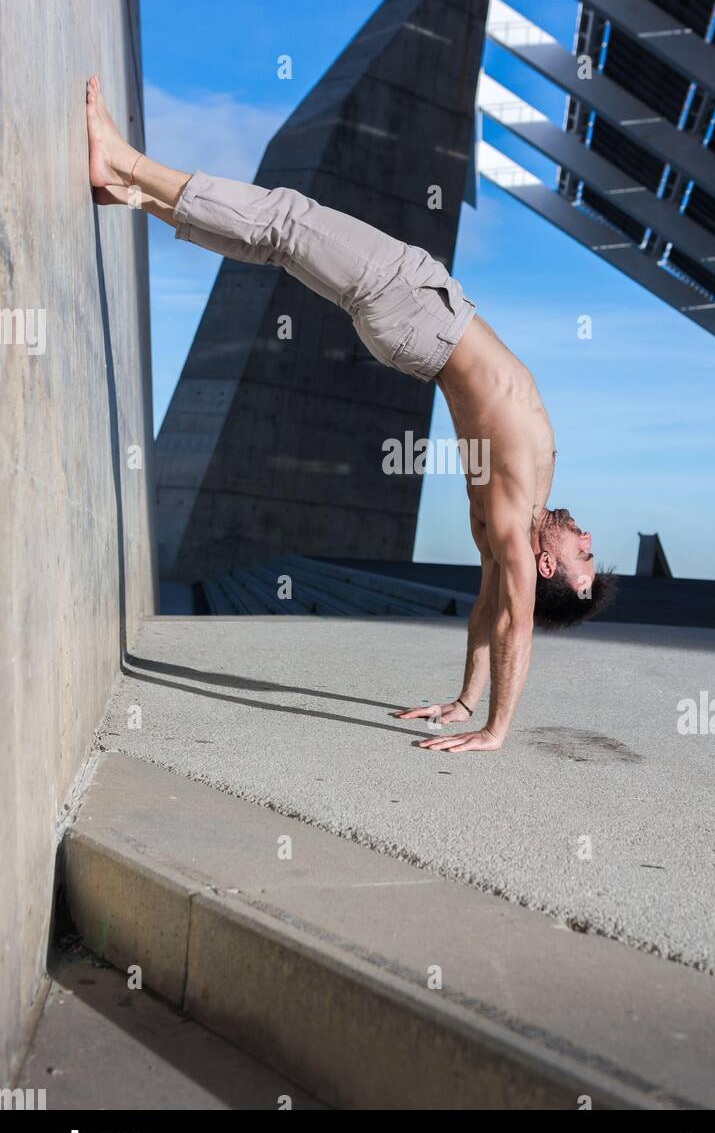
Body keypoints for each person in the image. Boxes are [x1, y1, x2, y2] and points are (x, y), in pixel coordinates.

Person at [87, 76, 614, 753]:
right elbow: (488, 611)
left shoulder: (513, 521)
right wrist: (464, 700)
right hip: (421, 329)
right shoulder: (514, 521)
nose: (587, 536)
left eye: (585, 557)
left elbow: (513, 620)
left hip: (423, 318)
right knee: (282, 240)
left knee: (287, 219)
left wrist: (497, 729)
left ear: (547, 568)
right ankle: (132, 195)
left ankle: (123, 162)